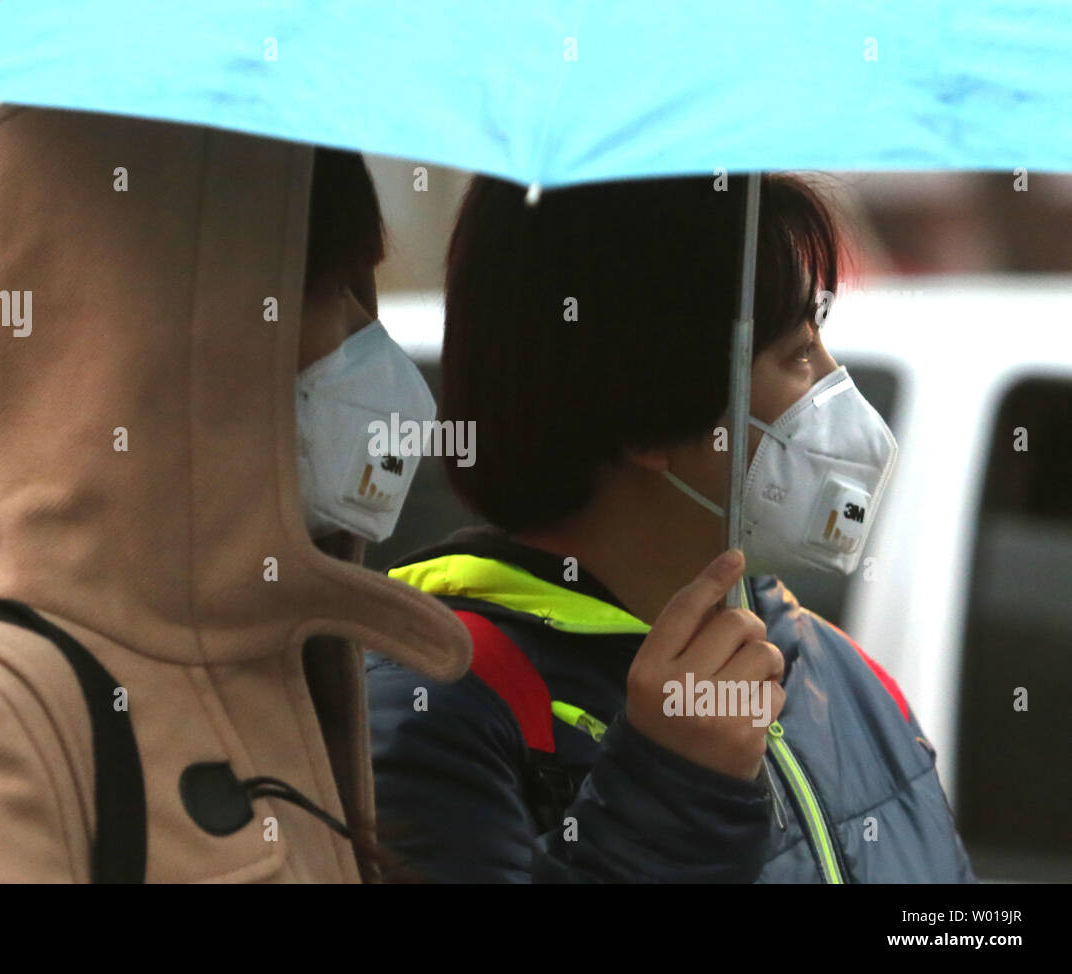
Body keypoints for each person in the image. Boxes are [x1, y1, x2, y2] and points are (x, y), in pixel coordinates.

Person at [0, 105, 468, 882]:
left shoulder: (268, 665)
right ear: (165, 330)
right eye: (325, 289)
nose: (366, 341)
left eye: (364, 293)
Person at [367, 173, 977, 883]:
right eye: (795, 354)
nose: (837, 387)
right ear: (648, 415)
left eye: (822, 338)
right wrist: (669, 805)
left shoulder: (840, 672)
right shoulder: (432, 708)